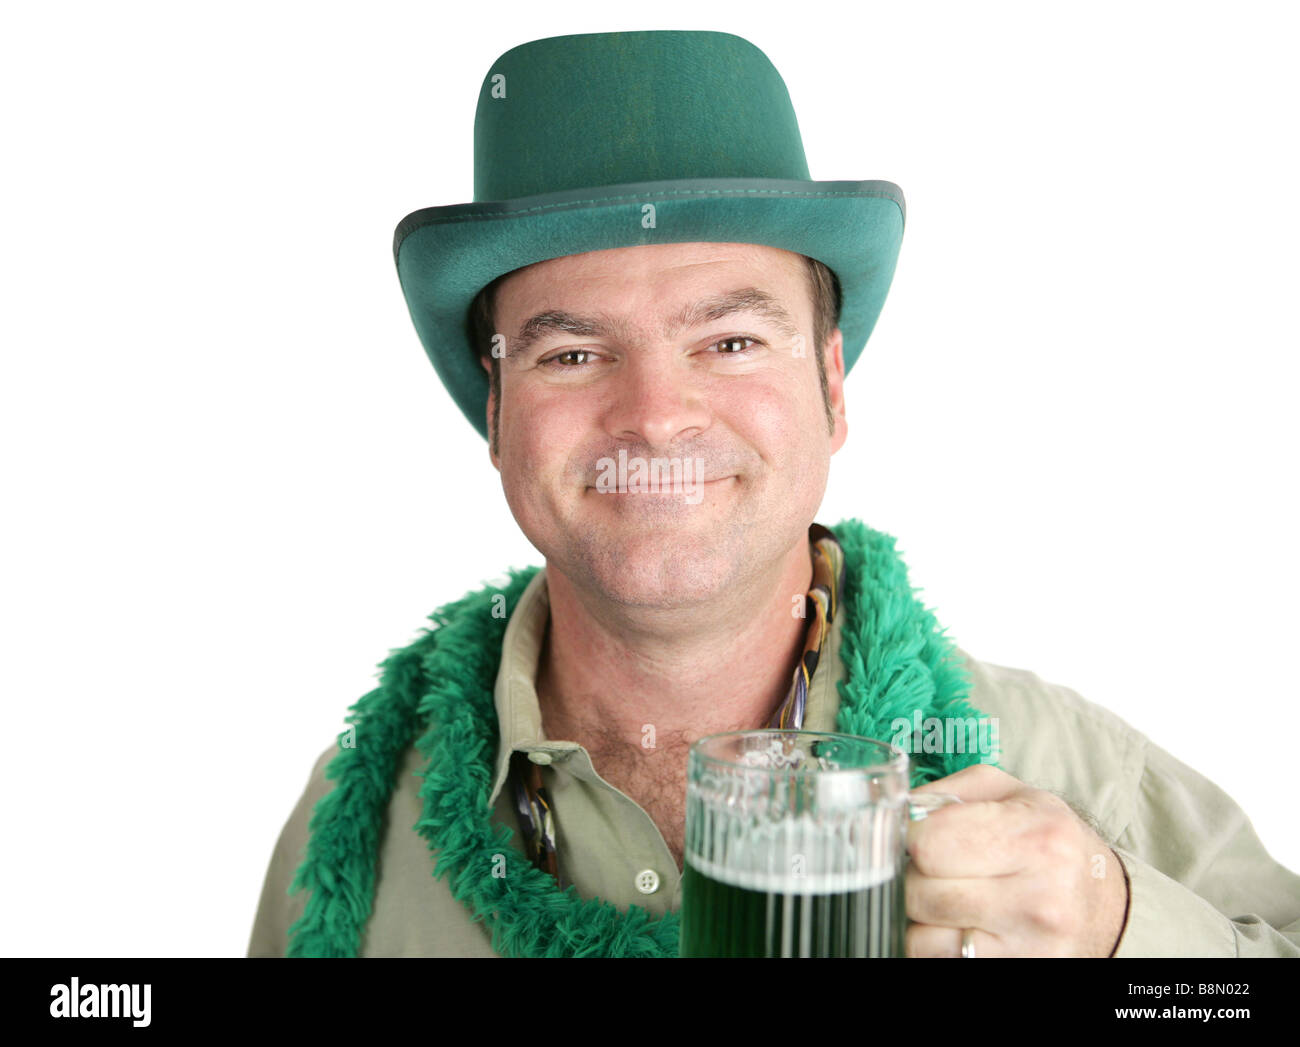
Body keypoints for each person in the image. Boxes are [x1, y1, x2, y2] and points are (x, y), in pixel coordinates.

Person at [246, 29, 1300, 958]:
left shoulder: (1068, 781)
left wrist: (1120, 933)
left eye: (731, 340)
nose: (657, 415)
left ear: (831, 387)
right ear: (496, 408)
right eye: (571, 354)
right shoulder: (353, 825)